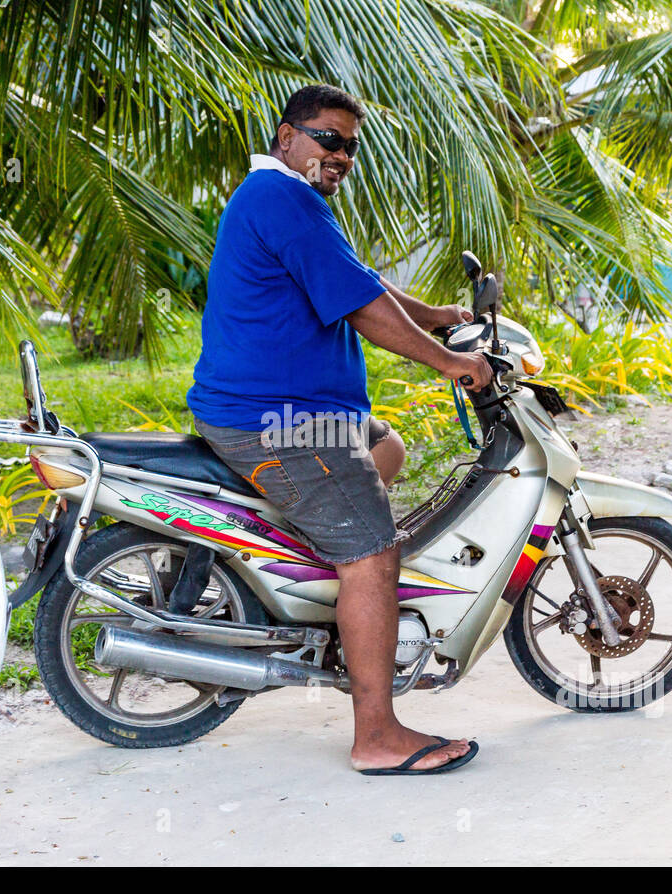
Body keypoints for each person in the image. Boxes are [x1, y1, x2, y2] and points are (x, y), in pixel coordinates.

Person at [187, 84, 493, 774]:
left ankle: (313, 583)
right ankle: (377, 737)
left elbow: (358, 284)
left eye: (351, 145)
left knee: (388, 447)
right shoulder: (285, 198)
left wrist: (440, 315)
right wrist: (448, 361)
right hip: (281, 422)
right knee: (374, 555)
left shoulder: (284, 198)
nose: (341, 154)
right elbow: (361, 309)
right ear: (287, 136)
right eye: (328, 138)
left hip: (285, 412)